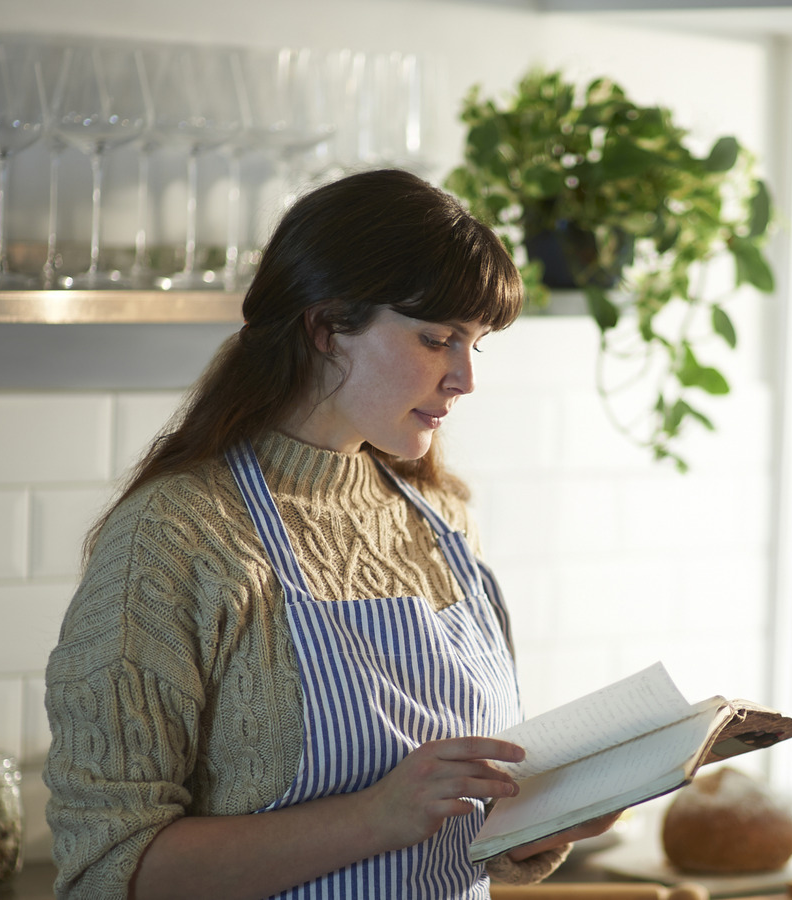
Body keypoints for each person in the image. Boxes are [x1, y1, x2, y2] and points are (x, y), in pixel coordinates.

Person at [44, 168, 616, 900]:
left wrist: (537, 822)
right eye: (438, 338)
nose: (464, 378)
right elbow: (109, 870)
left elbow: (459, 828)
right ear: (325, 328)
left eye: (475, 344)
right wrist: (376, 817)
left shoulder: (439, 519)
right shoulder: (174, 537)